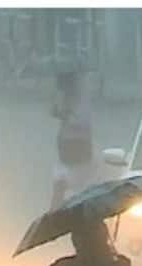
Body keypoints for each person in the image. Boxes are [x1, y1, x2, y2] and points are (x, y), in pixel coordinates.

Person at [50, 67, 96, 211]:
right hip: (74, 147)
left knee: (64, 186)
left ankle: (54, 218)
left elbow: (57, 112)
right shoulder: (75, 98)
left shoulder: (79, 100)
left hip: (75, 147)